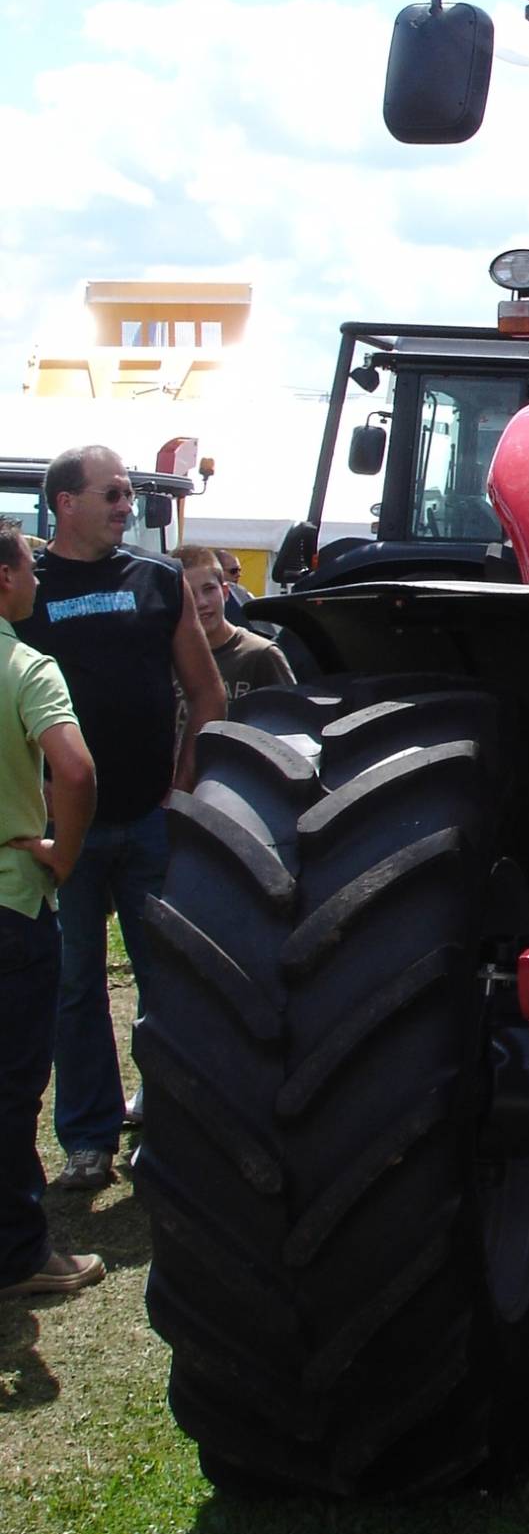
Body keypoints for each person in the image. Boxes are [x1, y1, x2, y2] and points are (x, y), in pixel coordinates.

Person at [13, 448, 225, 1193]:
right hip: (65, 828)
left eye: (130, 493)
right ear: (64, 503)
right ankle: (88, 1141)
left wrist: (184, 784)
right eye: (112, 494)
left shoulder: (156, 579)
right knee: (74, 986)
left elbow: (208, 694)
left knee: (169, 987)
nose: (126, 506)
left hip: (148, 821)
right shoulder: (31, 590)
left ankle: (171, 1130)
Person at [0, 522, 103, 1297]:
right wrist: (62, 856)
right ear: (4, 581)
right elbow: (73, 769)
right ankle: (19, 1255)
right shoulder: (27, 666)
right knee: (9, 1087)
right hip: (11, 901)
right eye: (31, 568)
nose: (38, 580)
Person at [176, 546, 293, 707]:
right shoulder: (163, 656)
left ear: (225, 592)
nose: (201, 602)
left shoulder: (260, 656)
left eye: (209, 589)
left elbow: (289, 720)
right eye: (189, 594)